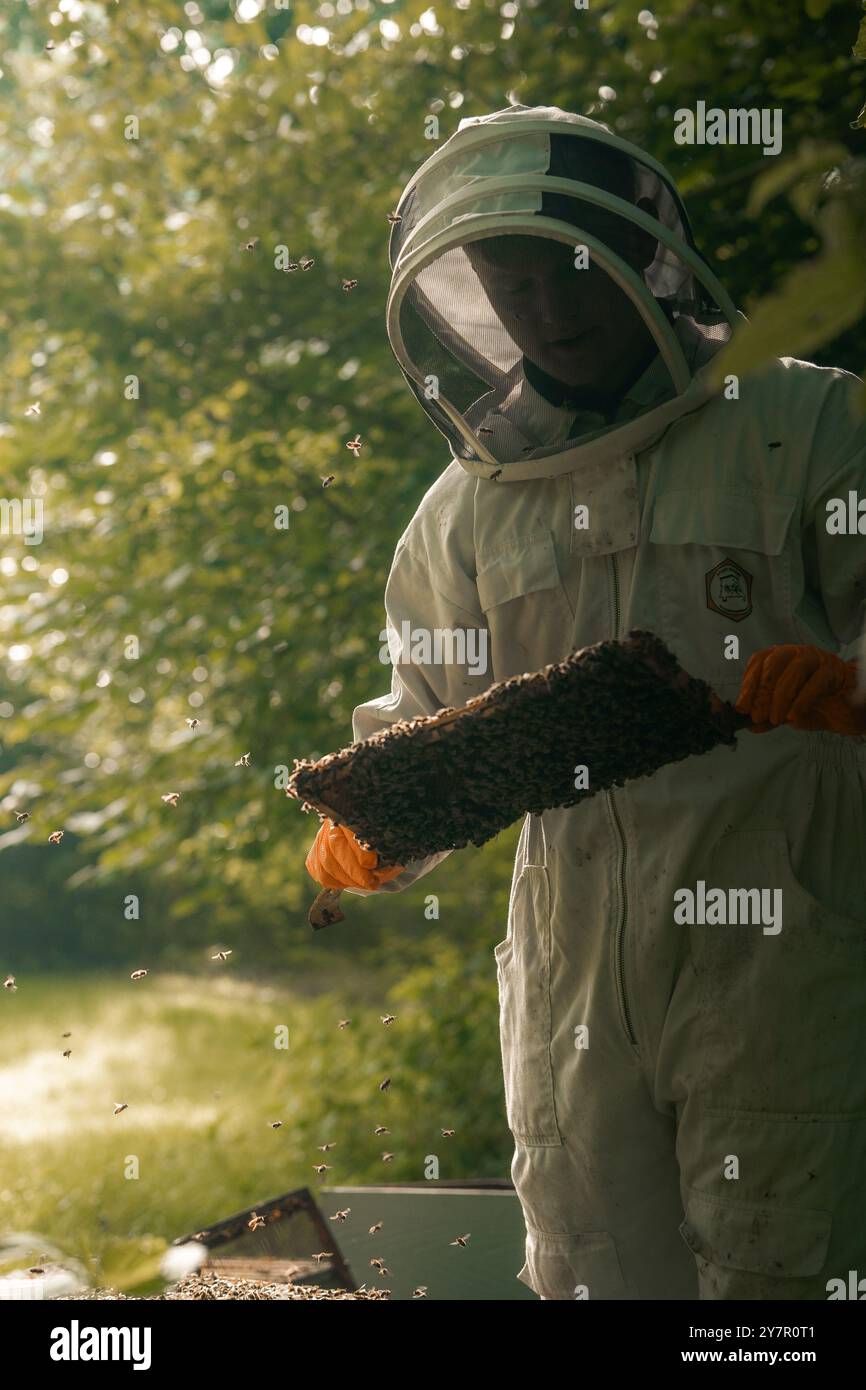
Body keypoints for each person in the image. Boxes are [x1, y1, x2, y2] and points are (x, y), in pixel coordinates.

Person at [306, 105, 866, 1299]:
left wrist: (853, 688)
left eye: (563, 274)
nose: (545, 314)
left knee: (779, 1272)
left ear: (634, 254)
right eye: (508, 289)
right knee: (588, 1273)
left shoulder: (813, 423)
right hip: (566, 962)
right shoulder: (462, 509)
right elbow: (427, 713)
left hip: (785, 936)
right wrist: (373, 830)